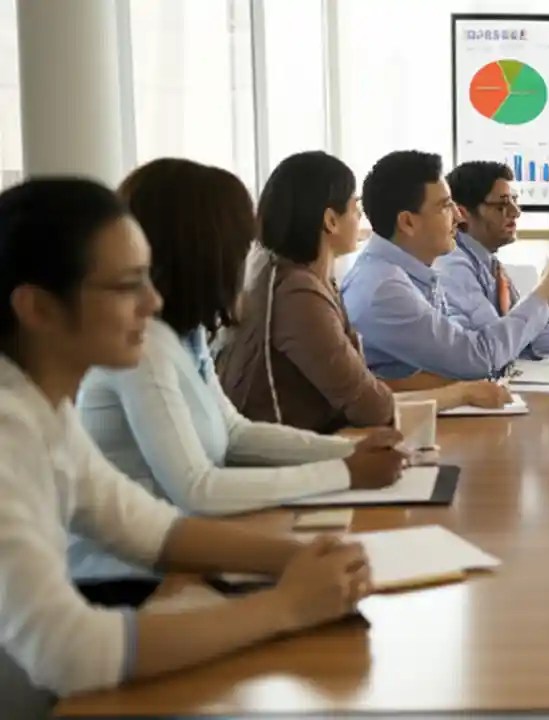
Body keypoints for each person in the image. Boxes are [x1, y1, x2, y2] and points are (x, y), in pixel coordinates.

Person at [0, 178, 377, 714]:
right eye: (126, 285)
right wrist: (284, 607)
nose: (151, 301)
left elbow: (149, 529)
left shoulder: (44, 408)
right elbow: (68, 652)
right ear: (38, 308)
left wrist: (301, 559)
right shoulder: (9, 429)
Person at [72, 159, 405, 587]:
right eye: (239, 245)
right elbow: (196, 488)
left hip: (177, 559)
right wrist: (345, 472)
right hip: (126, 580)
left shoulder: (184, 334)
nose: (246, 259)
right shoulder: (144, 348)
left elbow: (236, 434)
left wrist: (343, 454)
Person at [217, 151, 508, 433]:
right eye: (354, 204)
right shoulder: (298, 293)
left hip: (311, 438)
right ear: (331, 220)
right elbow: (370, 407)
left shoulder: (305, 279)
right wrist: (461, 393)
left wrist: (456, 389)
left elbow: (366, 391)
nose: (360, 213)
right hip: (288, 451)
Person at [341, 151, 549, 381]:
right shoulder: (385, 288)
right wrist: (544, 290)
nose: (458, 216)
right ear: (408, 222)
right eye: (445, 206)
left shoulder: (412, 274)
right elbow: (477, 358)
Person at [437, 160, 549, 358]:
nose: (516, 212)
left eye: (515, 201)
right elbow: (495, 345)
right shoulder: (454, 266)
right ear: (462, 214)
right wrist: (545, 289)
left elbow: (521, 335)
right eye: (502, 205)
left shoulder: (488, 263)